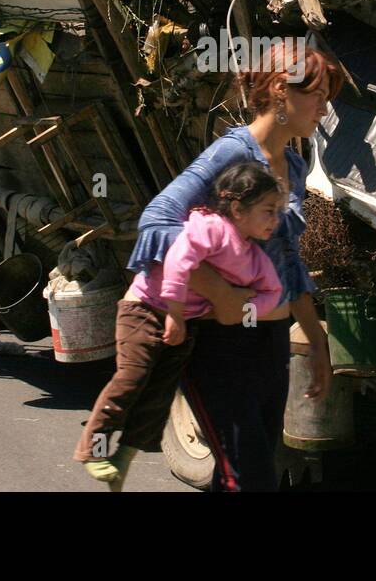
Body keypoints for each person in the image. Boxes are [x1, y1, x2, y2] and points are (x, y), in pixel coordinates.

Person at [126, 40, 344, 491]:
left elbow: (286, 261)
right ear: (281, 91)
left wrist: (318, 341)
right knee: (248, 478)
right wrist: (220, 293)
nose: (324, 107)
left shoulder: (295, 166)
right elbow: (158, 219)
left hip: (270, 344)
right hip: (221, 344)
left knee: (256, 470)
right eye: (317, 95)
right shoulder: (232, 153)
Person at [73, 161, 285, 490]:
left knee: (159, 393)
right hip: (146, 308)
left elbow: (272, 292)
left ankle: (123, 456)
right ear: (238, 209)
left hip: (183, 322)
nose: (276, 220)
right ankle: (91, 448)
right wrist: (174, 312)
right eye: (268, 211)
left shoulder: (254, 257)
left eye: (277, 212)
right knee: (133, 377)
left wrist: (243, 308)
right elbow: (177, 259)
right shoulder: (212, 227)